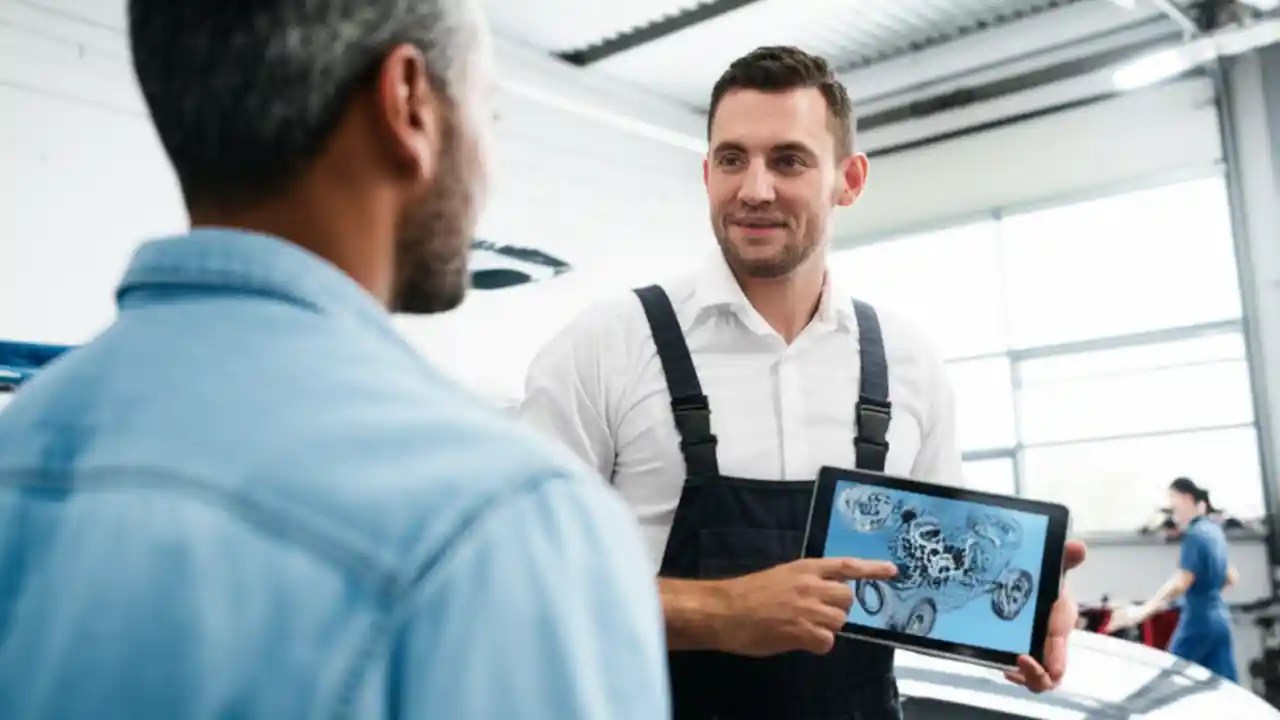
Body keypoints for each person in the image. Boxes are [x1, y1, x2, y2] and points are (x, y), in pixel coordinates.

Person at [0, 2, 668, 718]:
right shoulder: (509, 521)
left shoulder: (22, 452)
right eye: (489, 114)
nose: (489, 161)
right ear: (409, 101)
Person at [520, 45, 1085, 719]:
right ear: (707, 173)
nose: (754, 188)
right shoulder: (604, 347)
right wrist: (720, 610)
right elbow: (518, 584)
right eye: (732, 159)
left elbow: (930, 579)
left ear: (849, 179)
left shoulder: (908, 363)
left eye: (788, 160)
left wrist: (1023, 606)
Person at [1112, 478, 1240, 681]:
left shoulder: (1195, 534)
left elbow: (1182, 581)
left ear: (1187, 498)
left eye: (1173, 500)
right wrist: (1203, 593)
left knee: (1167, 681)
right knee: (1225, 689)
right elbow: (1231, 577)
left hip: (1198, 621)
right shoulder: (1215, 531)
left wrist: (1143, 610)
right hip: (1220, 620)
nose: (1173, 509)